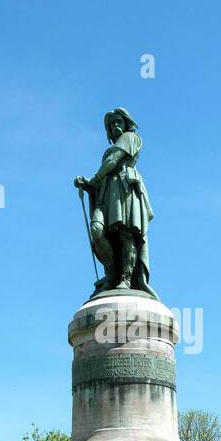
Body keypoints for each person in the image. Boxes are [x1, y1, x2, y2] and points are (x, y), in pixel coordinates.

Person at [74, 107, 158, 298]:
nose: (116, 125)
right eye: (112, 123)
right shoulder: (109, 149)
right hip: (105, 191)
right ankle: (111, 275)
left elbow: (113, 160)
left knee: (126, 234)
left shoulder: (130, 137)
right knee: (97, 230)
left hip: (124, 186)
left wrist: (93, 178)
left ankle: (126, 278)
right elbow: (106, 168)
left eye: (119, 121)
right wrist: (88, 185)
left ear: (126, 123)